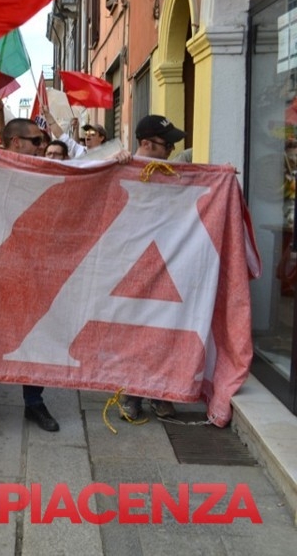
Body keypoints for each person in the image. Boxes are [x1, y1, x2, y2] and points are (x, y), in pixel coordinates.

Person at [0, 118, 60, 433]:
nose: (42, 147)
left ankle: (34, 404)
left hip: (33, 270)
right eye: (36, 141)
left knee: (33, 335)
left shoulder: (48, 171)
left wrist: (122, 162)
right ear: (16, 142)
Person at [116, 114, 187, 421]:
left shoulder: (173, 172)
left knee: (163, 330)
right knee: (135, 330)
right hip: (130, 263)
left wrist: (221, 175)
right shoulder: (120, 167)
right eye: (166, 144)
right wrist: (116, 164)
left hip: (168, 261)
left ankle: (161, 393)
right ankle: (131, 394)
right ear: (145, 143)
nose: (171, 150)